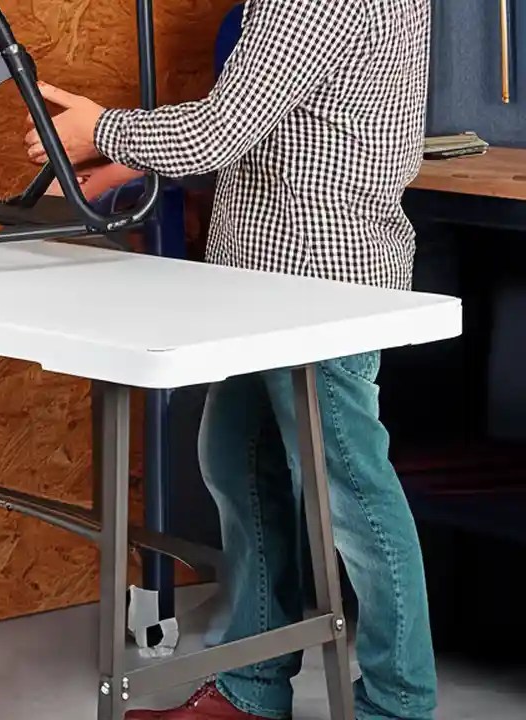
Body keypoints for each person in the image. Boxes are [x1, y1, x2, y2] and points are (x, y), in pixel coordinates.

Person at [24, 1, 437, 719]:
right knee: (235, 460)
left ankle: (399, 705)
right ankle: (252, 687)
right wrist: (118, 161)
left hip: (316, 285)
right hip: (264, 282)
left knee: (353, 496)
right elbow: (273, 112)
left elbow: (218, 131)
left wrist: (99, 127)